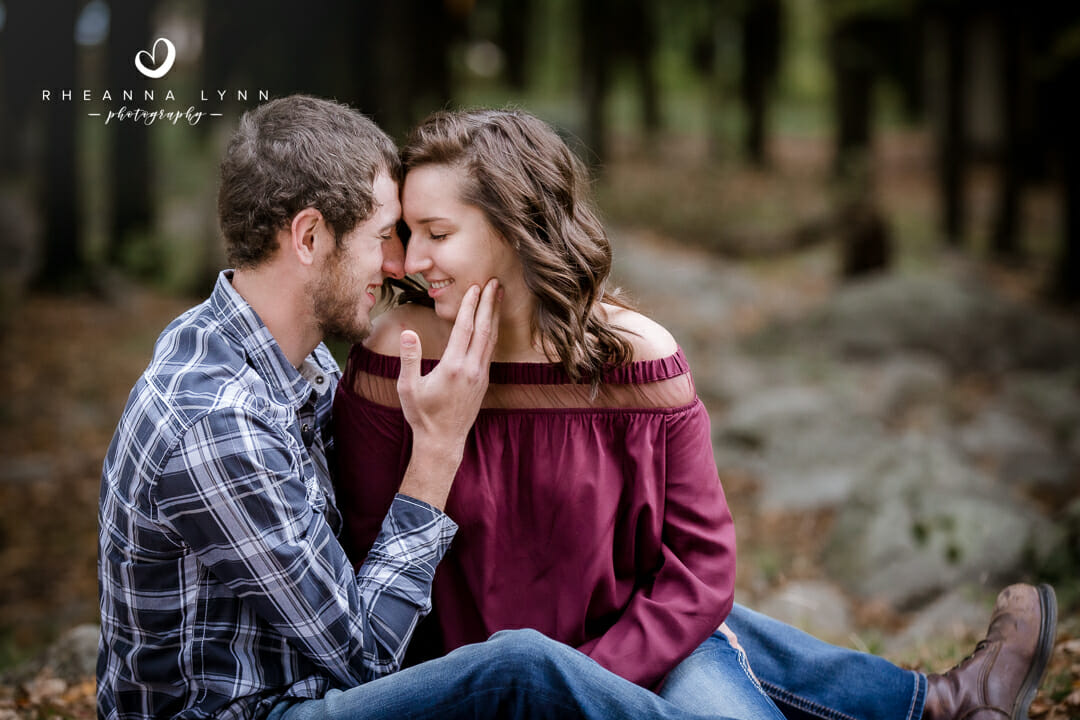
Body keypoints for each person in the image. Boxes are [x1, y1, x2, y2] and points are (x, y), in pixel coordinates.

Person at [332, 107, 1059, 720]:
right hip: (485, 688)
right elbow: (371, 571)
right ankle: (940, 701)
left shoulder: (637, 362)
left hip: (646, 656)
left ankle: (948, 701)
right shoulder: (393, 362)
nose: (410, 260)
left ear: (514, 226)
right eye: (407, 233)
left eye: (436, 232)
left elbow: (701, 566)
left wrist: (593, 681)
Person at [96, 94, 762, 720]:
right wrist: (439, 447)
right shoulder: (217, 419)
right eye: (388, 235)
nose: (401, 265)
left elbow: (698, 565)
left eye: (422, 233)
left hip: (310, 683)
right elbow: (362, 656)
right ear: (308, 238)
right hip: (263, 710)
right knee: (524, 667)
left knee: (741, 634)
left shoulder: (284, 361)